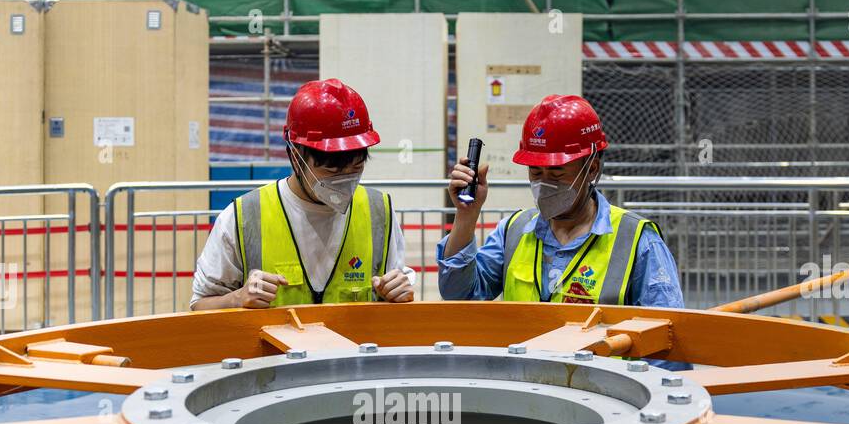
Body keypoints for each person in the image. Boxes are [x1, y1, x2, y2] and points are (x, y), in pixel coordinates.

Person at [437, 95, 682, 309]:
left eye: (557, 173)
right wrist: (466, 216)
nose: (544, 184)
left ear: (592, 169)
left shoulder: (636, 242)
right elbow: (459, 294)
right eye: (535, 172)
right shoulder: (514, 232)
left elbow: (667, 336)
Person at [192, 79, 414, 309]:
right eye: (331, 170)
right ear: (295, 156)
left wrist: (399, 295)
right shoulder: (245, 216)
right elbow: (200, 305)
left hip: (355, 345)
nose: (345, 179)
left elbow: (397, 299)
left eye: (356, 167)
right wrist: (236, 298)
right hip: (275, 346)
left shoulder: (379, 211)